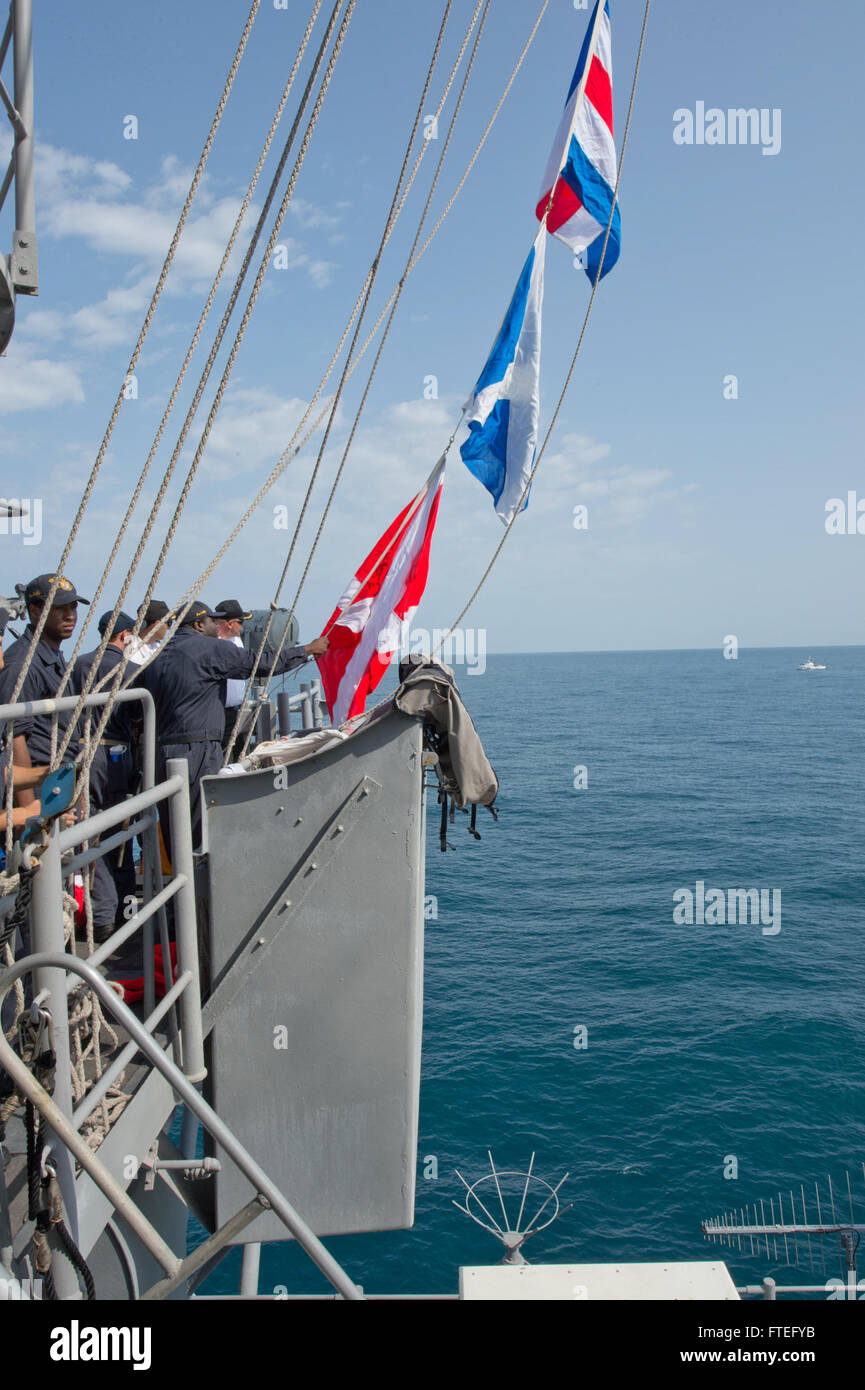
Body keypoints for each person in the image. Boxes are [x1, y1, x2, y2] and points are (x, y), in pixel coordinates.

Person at [135, 601, 329, 850]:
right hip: (198, 750)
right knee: (201, 826)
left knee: (173, 826)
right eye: (211, 622)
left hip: (162, 753)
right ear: (198, 625)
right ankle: (200, 882)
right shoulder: (209, 649)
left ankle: (179, 881)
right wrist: (306, 650)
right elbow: (259, 663)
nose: (216, 626)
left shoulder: (158, 655)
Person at [70, 610, 139, 939]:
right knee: (119, 835)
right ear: (125, 635)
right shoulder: (127, 668)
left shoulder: (79, 664)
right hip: (113, 756)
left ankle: (101, 914)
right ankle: (121, 910)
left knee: (89, 835)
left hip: (83, 755)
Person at [0, 573, 88, 805]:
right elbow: (14, 737)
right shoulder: (22, 663)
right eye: (60, 608)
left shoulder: (52, 656)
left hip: (57, 780)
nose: (70, 615)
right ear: (36, 611)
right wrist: (27, 819)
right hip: (39, 792)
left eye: (73, 607)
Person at [214, 598, 253, 760]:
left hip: (234, 711)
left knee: (237, 754)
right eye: (241, 622)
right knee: (219, 755)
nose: (243, 626)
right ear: (230, 623)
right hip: (218, 712)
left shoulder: (236, 640)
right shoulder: (213, 644)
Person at [125, 599, 171, 667]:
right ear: (157, 624)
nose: (169, 628)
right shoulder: (127, 647)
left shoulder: (159, 649)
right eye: (169, 623)